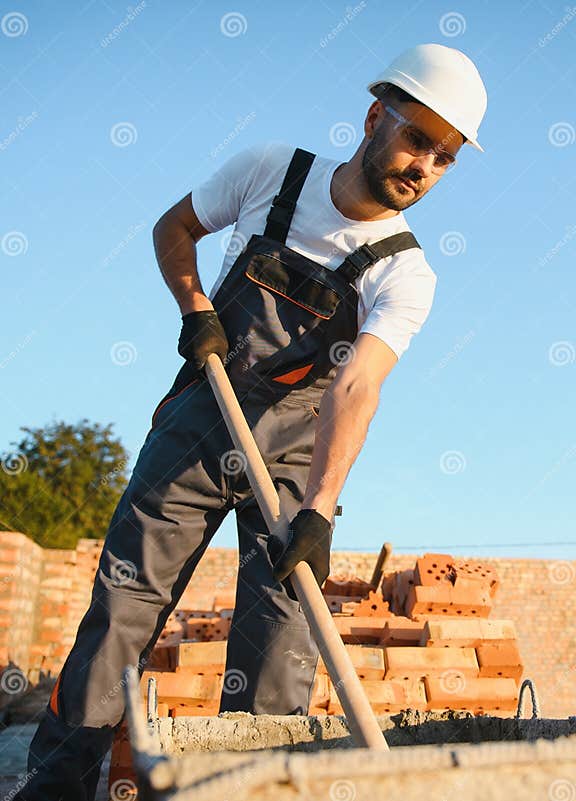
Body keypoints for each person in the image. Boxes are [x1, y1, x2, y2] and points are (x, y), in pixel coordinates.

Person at [18, 42, 487, 800]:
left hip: (300, 456)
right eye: (415, 138)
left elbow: (357, 383)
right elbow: (172, 230)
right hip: (204, 419)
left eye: (445, 157)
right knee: (121, 611)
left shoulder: (406, 269)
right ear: (375, 117)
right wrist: (196, 309)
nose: (423, 166)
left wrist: (319, 512)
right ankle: (56, 782)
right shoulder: (273, 172)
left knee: (277, 647)